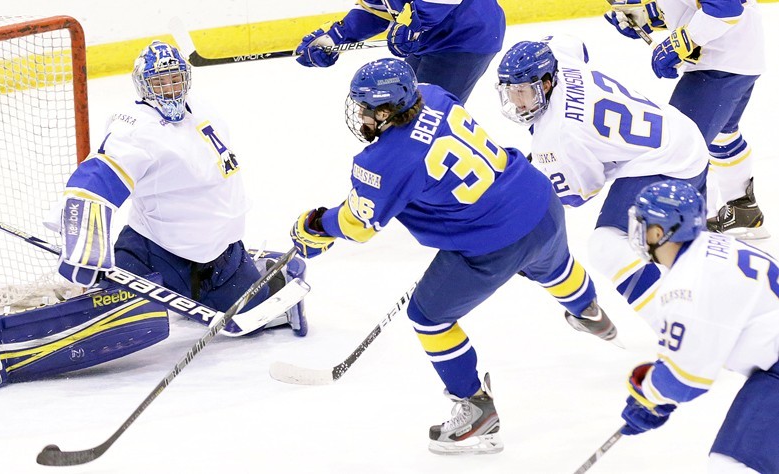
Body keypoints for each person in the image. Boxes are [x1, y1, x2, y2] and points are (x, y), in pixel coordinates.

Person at [289, 57, 617, 455]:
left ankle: (477, 411)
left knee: (428, 318)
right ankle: (589, 311)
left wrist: (319, 227)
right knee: (553, 265)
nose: (360, 114)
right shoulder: (434, 94)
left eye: (365, 107)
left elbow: (359, 225)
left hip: (492, 243)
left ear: (386, 110)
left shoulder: (382, 162)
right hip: (537, 201)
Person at [0, 40, 307, 391]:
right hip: (157, 254)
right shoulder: (135, 126)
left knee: (255, 315)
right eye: (159, 82)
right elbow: (97, 178)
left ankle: (258, 266)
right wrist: (85, 238)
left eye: (175, 78)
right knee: (117, 325)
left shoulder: (205, 111)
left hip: (223, 258)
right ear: (143, 87)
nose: (169, 89)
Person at [495, 36, 708, 316]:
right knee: (691, 255)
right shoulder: (558, 58)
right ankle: (715, 299)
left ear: (546, 83)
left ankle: (677, 322)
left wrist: (535, 184)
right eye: (510, 91)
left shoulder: (558, 136)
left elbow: (578, 194)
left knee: (605, 245)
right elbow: (575, 45)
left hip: (669, 163)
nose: (515, 100)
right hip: (681, 132)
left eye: (523, 91)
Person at [622, 179, 779, 473]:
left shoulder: (686, 285)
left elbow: (686, 382)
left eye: (643, 224)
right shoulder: (718, 244)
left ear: (659, 232)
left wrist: (651, 395)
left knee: (732, 465)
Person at [604, 0, 768, 239]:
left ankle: (688, 225)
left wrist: (679, 42)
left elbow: (725, 8)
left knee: (681, 146)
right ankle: (742, 208)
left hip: (720, 63)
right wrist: (648, 16)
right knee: (723, 136)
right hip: (736, 57)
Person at [294, 0, 505, 102]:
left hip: (465, 38)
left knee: (428, 119)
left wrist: (413, 24)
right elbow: (377, 9)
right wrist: (337, 36)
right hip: (428, 40)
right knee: (403, 108)